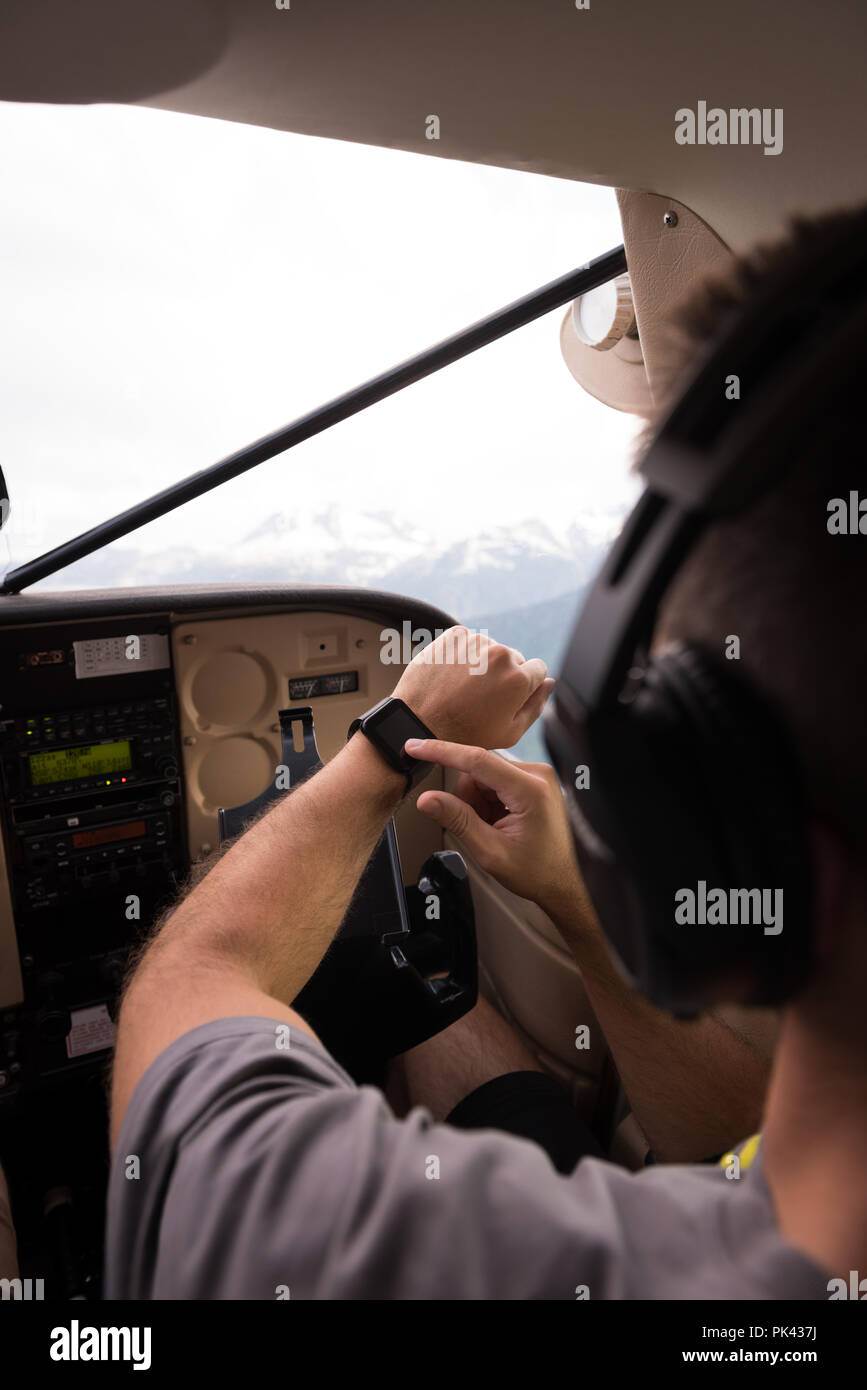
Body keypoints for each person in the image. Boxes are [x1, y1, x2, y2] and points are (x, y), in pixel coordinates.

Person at [105, 209, 864, 1299]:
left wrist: (390, 739)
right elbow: (735, 1151)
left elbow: (189, 984)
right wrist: (572, 898)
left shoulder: (319, 1245)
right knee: (435, 1003)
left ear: (713, 837)